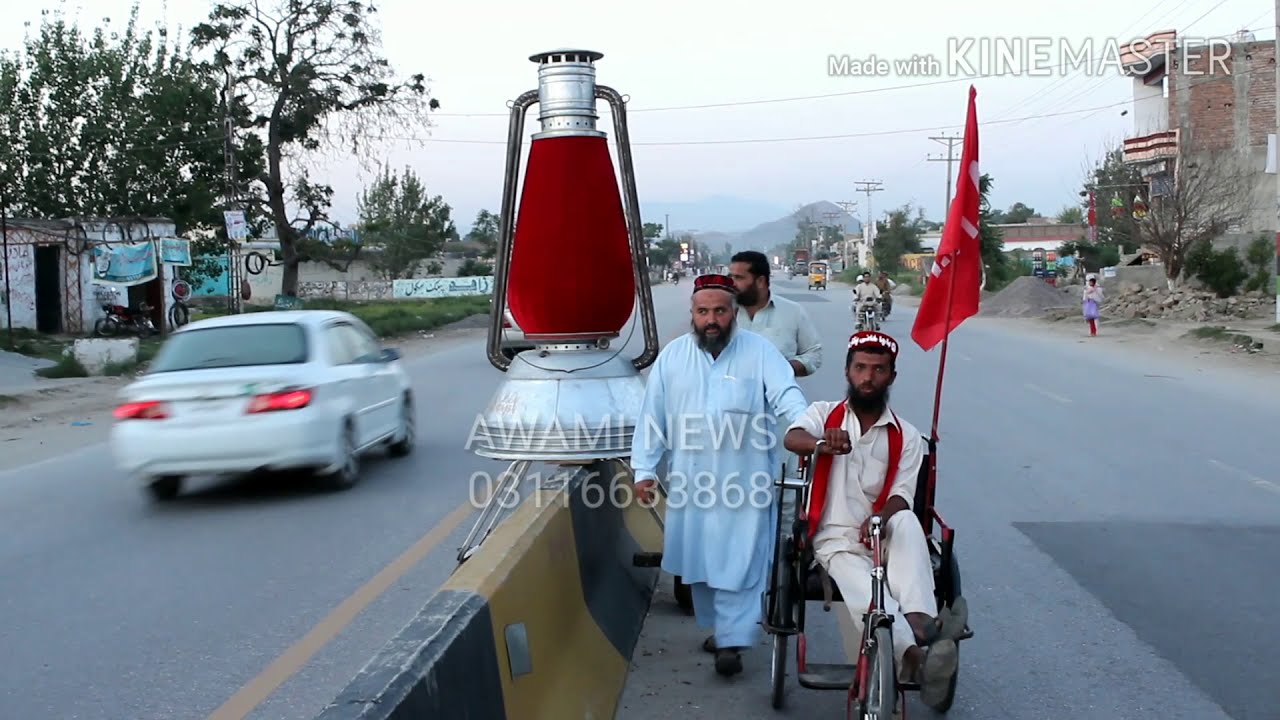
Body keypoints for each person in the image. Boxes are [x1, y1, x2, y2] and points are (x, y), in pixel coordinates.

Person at [631, 272, 809, 677]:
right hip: (691, 483)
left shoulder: (760, 352)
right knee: (701, 563)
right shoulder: (673, 357)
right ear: (692, 313)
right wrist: (644, 469)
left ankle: (731, 639)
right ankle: (724, 629)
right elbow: (652, 418)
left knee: (741, 560)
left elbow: (787, 395)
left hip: (746, 482)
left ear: (734, 313)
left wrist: (803, 425)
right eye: (703, 311)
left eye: (720, 311)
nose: (712, 319)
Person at [782, 330, 967, 706]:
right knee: (870, 596)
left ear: (891, 376)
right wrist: (821, 445)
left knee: (910, 523)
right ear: (848, 372)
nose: (868, 378)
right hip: (835, 541)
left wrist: (879, 519)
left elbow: (902, 494)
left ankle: (921, 621)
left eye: (878, 370)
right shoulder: (823, 414)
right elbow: (793, 437)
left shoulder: (908, 436)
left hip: (885, 532)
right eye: (861, 368)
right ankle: (916, 657)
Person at [728, 250, 823, 378]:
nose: (731, 283)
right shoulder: (723, 313)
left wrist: (783, 369)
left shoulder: (792, 312)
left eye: (738, 278)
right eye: (730, 277)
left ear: (760, 281)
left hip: (776, 397)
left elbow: (813, 354)